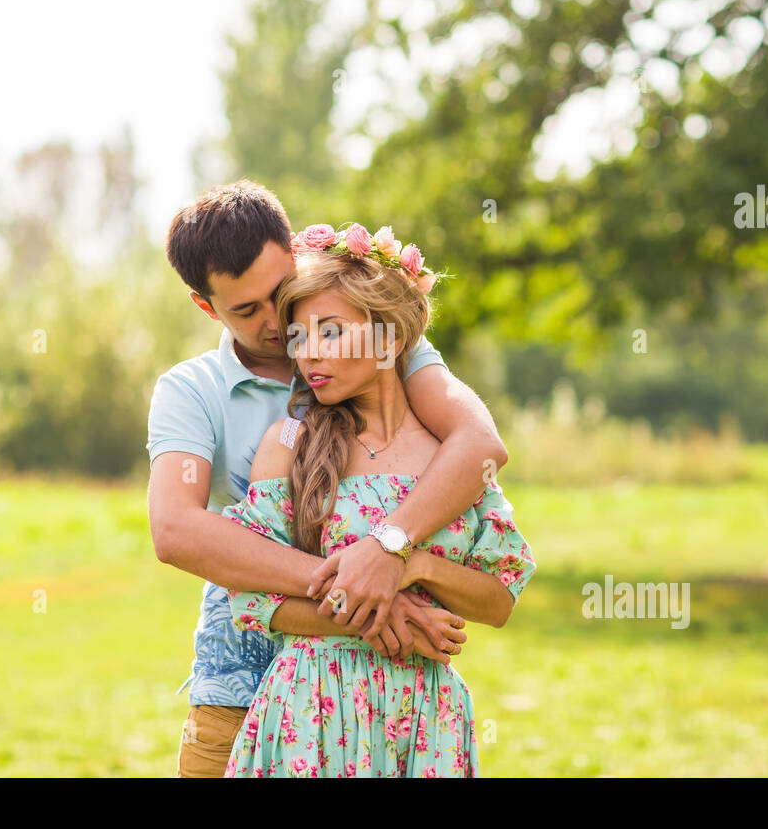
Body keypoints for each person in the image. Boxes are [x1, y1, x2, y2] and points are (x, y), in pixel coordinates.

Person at [146, 180, 511, 777]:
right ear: (206, 307)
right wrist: (365, 597)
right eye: (246, 310)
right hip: (239, 676)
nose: (275, 323)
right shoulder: (191, 391)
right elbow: (177, 531)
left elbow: (479, 445)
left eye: (278, 293)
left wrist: (388, 552)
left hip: (382, 688)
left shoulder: (370, 340)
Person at [220, 225, 535, 777]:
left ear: (388, 339)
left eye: (332, 332)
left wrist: (411, 562)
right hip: (311, 711)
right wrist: (386, 617)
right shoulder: (290, 445)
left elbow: (499, 601)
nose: (309, 353)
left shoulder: (451, 458)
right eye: (299, 337)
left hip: (425, 719)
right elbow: (251, 600)